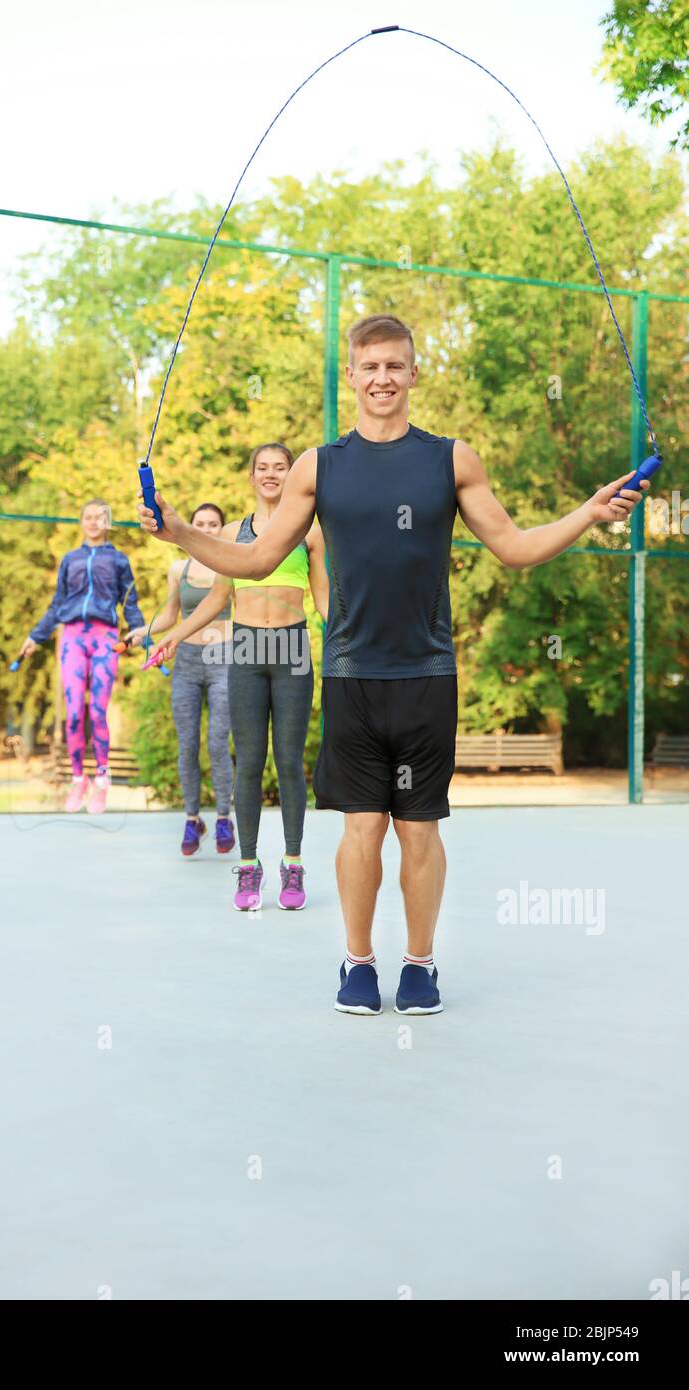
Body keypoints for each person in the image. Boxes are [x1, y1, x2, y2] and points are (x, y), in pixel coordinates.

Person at [137, 313, 650, 1013]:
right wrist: (174, 532)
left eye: (394, 366)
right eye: (369, 366)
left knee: (419, 828)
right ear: (351, 376)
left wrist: (588, 515)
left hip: (426, 675)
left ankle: (420, 965)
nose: (382, 378)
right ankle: (356, 963)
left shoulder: (451, 459)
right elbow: (256, 559)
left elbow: (515, 545)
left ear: (414, 374)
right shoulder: (320, 465)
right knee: (361, 829)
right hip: (351, 675)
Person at [151, 444, 329, 911]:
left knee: (289, 762)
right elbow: (217, 599)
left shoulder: (310, 533)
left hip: (291, 647)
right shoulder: (232, 532)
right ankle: (248, 868)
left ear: (293, 477)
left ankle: (293, 863)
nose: (271, 475)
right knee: (248, 761)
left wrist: (353, 636)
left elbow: (325, 599)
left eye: (280, 468)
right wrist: (176, 636)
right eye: (263, 468)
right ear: (251, 477)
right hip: (246, 647)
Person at [20, 499, 144, 815]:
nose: (93, 521)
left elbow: (130, 602)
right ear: (81, 522)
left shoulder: (118, 560)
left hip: (104, 638)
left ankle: (102, 779)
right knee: (74, 712)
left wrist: (139, 629)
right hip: (73, 637)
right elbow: (57, 604)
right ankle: (79, 779)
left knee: (98, 711)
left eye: (100, 517)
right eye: (88, 517)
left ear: (109, 522)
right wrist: (36, 636)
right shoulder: (70, 560)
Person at [127, 503, 236, 857]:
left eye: (213, 523)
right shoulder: (179, 568)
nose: (206, 528)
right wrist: (142, 631)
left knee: (218, 742)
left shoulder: (231, 564)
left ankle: (223, 817)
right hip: (186, 662)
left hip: (224, 659)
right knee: (187, 744)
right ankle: (192, 819)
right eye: (200, 523)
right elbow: (170, 615)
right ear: (192, 526)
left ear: (222, 528)